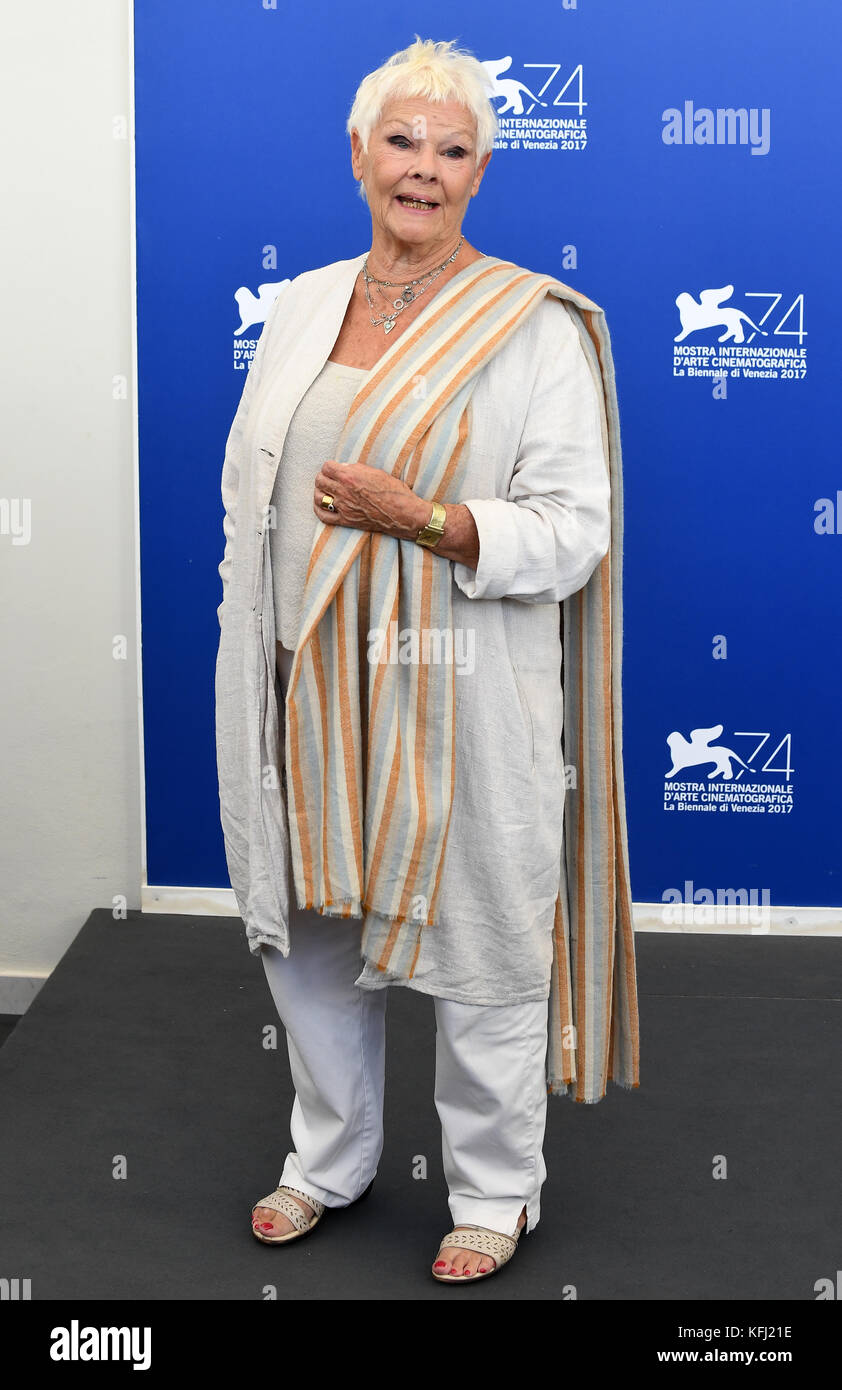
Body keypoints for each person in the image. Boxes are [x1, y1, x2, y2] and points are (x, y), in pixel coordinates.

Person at [214, 35, 640, 1286]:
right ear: (357, 155)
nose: (423, 169)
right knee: (306, 933)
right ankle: (328, 1162)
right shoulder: (301, 303)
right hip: (307, 678)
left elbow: (575, 529)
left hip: (455, 687)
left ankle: (495, 1191)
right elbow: (258, 490)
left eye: (452, 150)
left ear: (479, 172)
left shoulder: (531, 327)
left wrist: (428, 520)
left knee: (485, 940)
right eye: (402, 142)